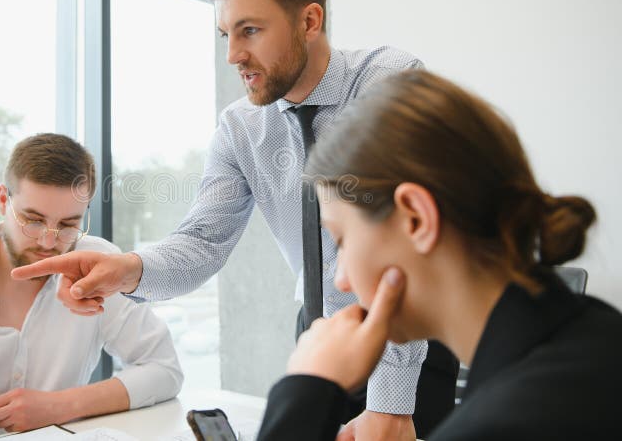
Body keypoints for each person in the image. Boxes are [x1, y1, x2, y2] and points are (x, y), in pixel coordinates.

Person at [13, 0, 458, 440]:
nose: (232, 55)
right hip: (321, 337)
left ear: (309, 21)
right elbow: (203, 241)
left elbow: (406, 246)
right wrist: (127, 271)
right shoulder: (241, 128)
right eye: (225, 34)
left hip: (410, 339)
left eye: (250, 31)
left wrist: (391, 401)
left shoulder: (387, 83)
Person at [256, 68, 622, 440]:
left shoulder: (499, 424)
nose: (342, 279)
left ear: (416, 218)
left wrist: (309, 387)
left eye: (342, 240)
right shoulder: (598, 335)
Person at [0, 133, 183, 440]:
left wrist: (57, 406)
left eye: (67, 225)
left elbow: (164, 369)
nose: (49, 242)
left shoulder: (99, 268)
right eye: (32, 220)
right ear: (1, 200)